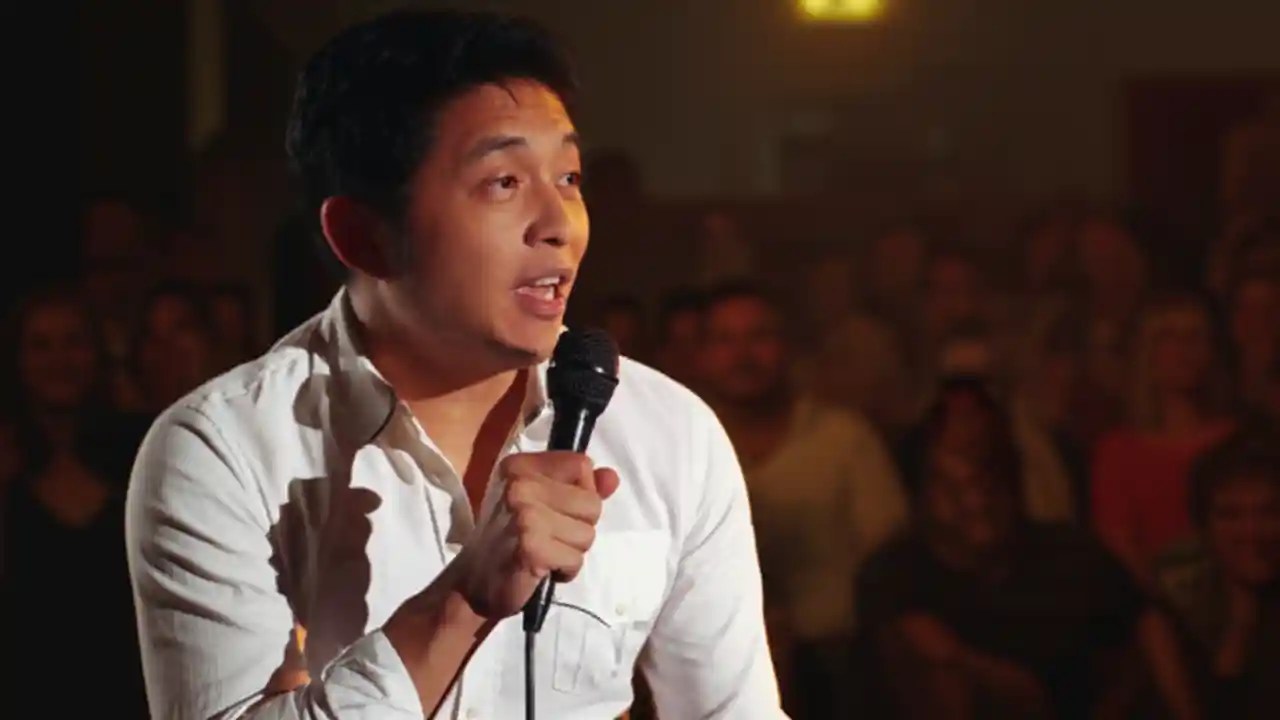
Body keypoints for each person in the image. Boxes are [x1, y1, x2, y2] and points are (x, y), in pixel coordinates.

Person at [125, 10, 783, 720]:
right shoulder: (223, 449)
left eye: (567, 175)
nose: (559, 222)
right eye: (502, 182)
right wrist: (461, 600)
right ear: (362, 235)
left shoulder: (666, 432)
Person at [860, 382, 1143, 719]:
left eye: (986, 481)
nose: (976, 503)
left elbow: (1142, 637)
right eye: (951, 488)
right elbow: (930, 657)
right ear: (921, 495)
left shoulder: (1074, 556)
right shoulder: (895, 572)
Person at [697, 281, 906, 718]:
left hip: (841, 664)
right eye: (725, 340)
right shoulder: (682, 445)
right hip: (709, 660)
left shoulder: (844, 438)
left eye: (759, 337)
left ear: (787, 347)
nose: (743, 355)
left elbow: (892, 556)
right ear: (702, 355)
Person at [0, 286, 149, 716]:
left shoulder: (140, 456)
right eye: (40, 345)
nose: (58, 360)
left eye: (73, 342)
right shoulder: (8, 467)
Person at [1092, 294, 1236, 584]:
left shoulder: (1235, 441)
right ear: (1148, 353)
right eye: (1168, 337)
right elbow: (1120, 552)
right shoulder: (1119, 452)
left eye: (1195, 336)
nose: (1184, 349)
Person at [1139, 428, 1280, 720]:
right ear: (1205, 527)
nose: (1252, 532)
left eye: (1269, 512)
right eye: (1230, 515)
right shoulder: (1177, 611)